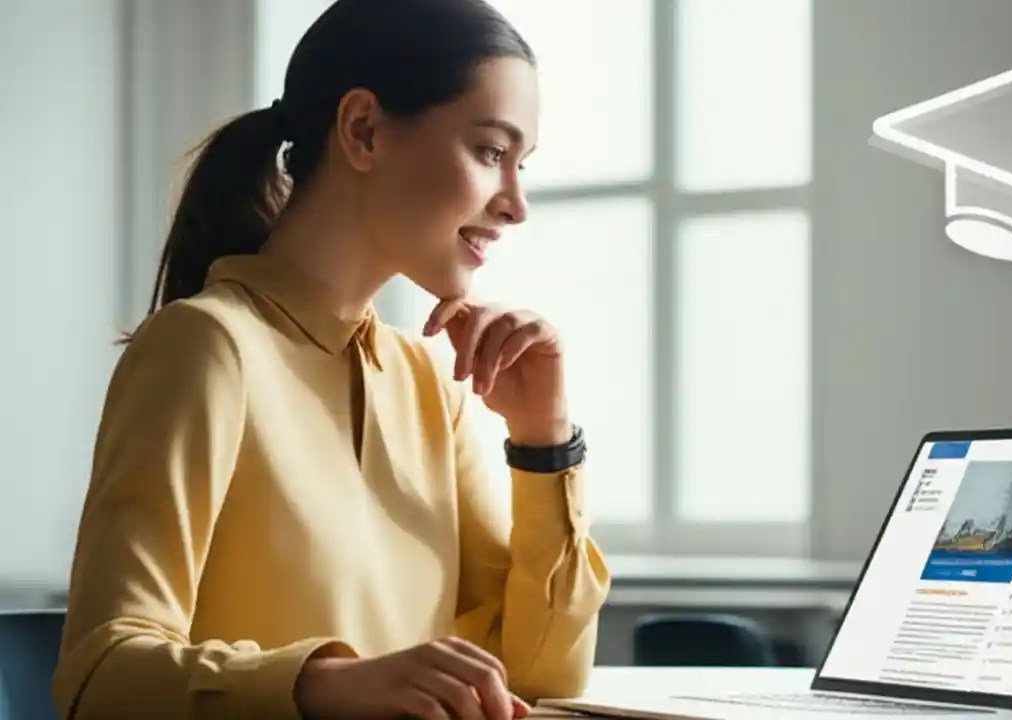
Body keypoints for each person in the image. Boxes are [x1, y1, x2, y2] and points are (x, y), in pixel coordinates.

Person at [51, 1, 610, 718]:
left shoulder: (427, 384)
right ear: (363, 129)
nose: (516, 205)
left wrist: (544, 442)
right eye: (491, 153)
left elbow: (541, 674)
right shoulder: (206, 346)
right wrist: (329, 684)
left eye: (521, 165)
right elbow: (100, 676)